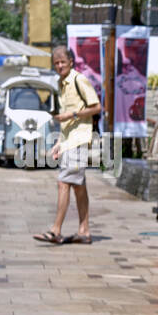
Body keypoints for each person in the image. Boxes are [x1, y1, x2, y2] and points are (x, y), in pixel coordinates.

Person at [34, 44, 101, 245]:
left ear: (71, 62)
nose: (60, 66)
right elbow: (66, 124)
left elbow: (97, 107)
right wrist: (58, 143)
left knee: (63, 182)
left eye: (63, 62)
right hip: (69, 140)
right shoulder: (61, 84)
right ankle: (84, 231)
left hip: (80, 139)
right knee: (78, 187)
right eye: (56, 63)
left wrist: (71, 114)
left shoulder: (79, 80)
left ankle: (55, 230)